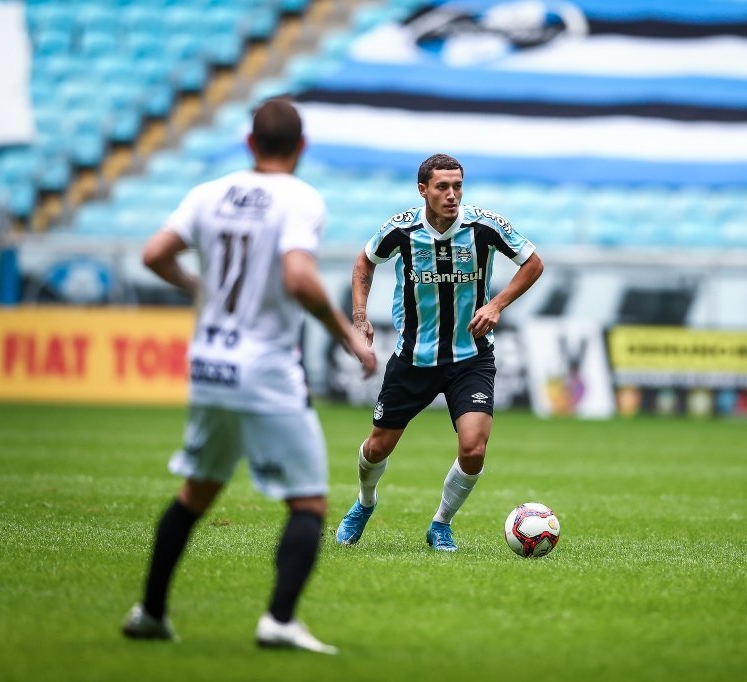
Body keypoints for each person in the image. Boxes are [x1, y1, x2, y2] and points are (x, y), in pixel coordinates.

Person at [122, 99, 377, 652]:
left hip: (209, 363)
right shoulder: (299, 198)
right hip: (265, 367)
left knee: (196, 491)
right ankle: (279, 620)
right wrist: (347, 333)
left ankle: (151, 612)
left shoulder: (208, 193)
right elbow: (299, 277)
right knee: (308, 501)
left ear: (249, 142)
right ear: (301, 146)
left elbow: (155, 254)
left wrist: (198, 288)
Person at [334, 153, 544, 552]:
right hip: (414, 358)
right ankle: (364, 503)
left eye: (458, 186)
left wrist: (496, 304)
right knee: (377, 447)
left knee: (474, 448)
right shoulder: (402, 229)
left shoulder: (484, 226)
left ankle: (441, 524)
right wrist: (360, 316)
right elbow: (364, 261)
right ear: (423, 190)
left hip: (471, 357)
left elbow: (533, 263)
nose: (452, 195)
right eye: (442, 187)